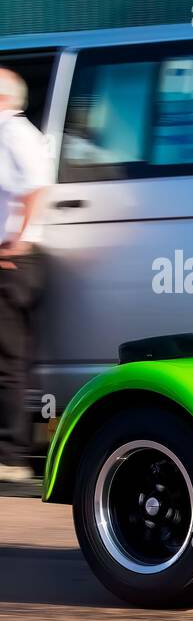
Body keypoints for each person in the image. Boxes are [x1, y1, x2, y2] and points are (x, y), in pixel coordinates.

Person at [0, 67, 51, 482]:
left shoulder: (14, 133)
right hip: (14, 259)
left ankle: (10, 456)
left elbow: (36, 186)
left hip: (14, 261)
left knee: (8, 363)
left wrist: (15, 241)